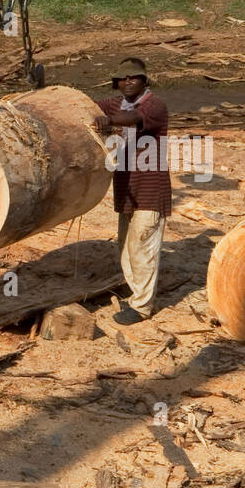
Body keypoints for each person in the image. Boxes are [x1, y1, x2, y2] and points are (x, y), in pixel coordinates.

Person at [94, 57, 170, 326]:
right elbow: (87, 105)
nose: (128, 82)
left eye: (133, 78)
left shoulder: (153, 105)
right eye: (123, 78)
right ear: (116, 82)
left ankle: (141, 307)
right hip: (126, 189)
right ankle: (136, 289)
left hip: (150, 190)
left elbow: (132, 118)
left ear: (144, 80)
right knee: (126, 247)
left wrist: (108, 121)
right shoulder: (114, 103)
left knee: (143, 247)